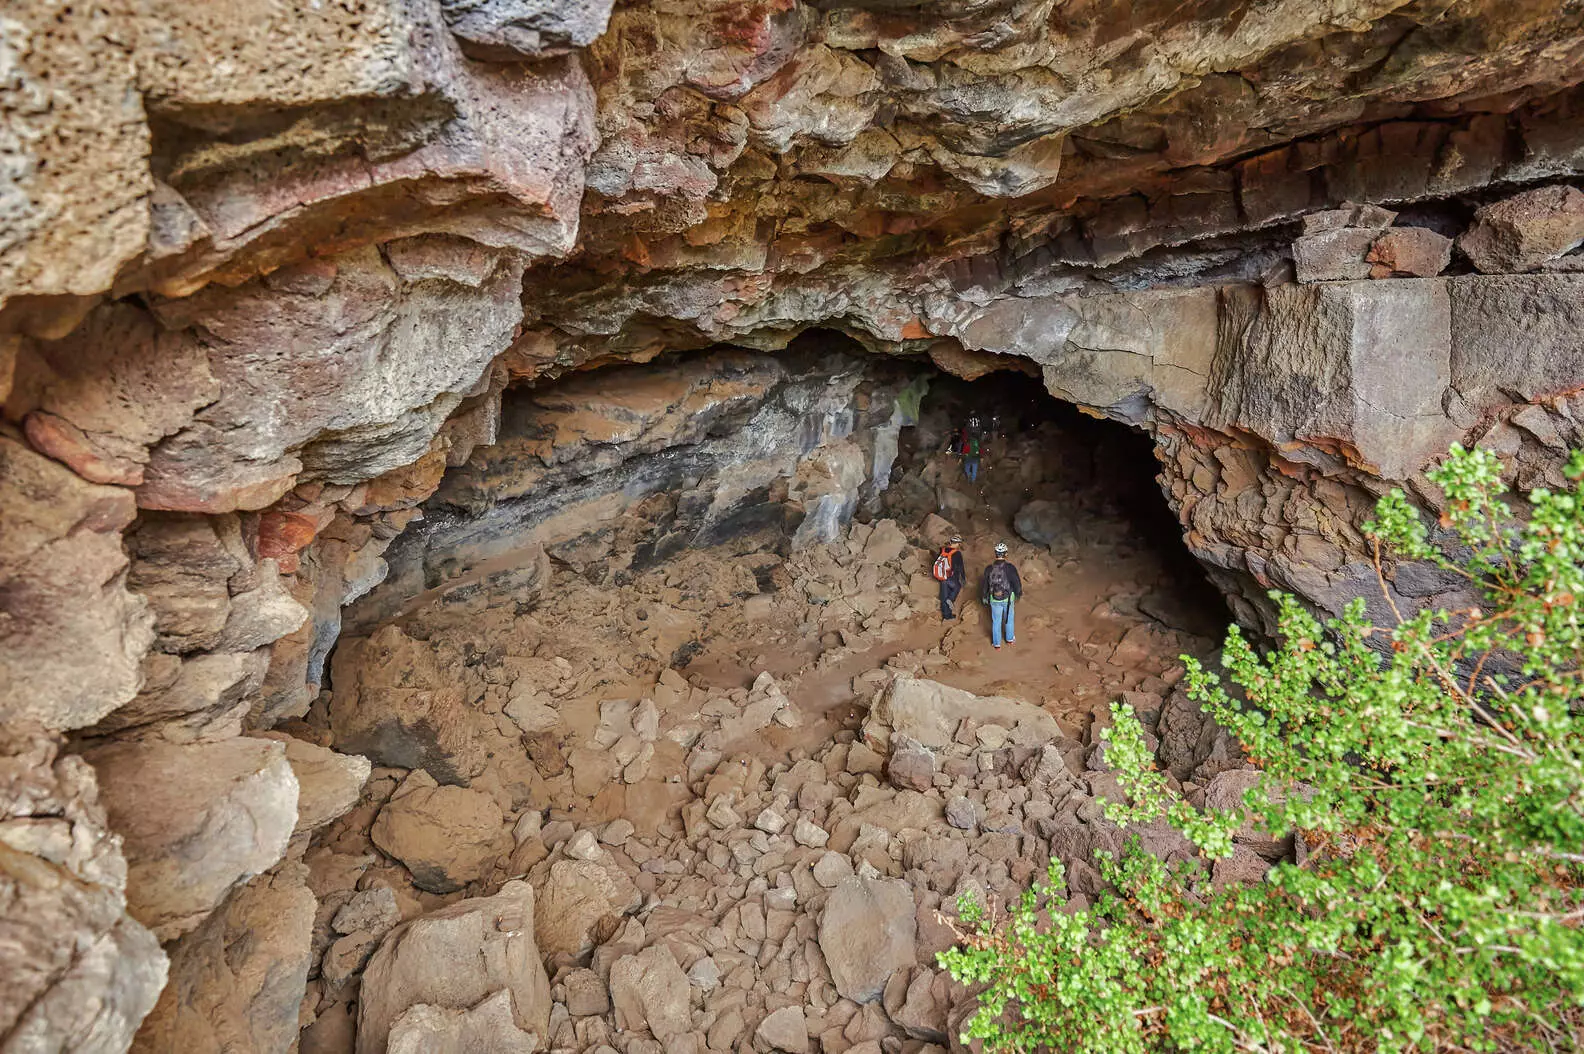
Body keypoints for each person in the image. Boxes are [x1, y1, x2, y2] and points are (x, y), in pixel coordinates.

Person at [980, 542, 1021, 648]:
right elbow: (1016, 582)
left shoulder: (989, 569)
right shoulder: (1010, 568)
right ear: (1006, 554)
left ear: (995, 554)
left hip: (994, 599)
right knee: (1009, 619)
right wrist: (1018, 594)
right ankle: (1009, 639)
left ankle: (996, 644)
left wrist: (984, 596)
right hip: (1008, 598)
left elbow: (985, 584)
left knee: (996, 621)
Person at [934, 536, 967, 619]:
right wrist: (963, 578)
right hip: (951, 577)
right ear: (957, 544)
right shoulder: (957, 553)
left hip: (942, 576)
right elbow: (960, 567)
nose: (959, 545)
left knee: (944, 596)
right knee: (957, 587)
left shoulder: (943, 550)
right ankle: (951, 599)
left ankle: (946, 615)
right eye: (959, 544)